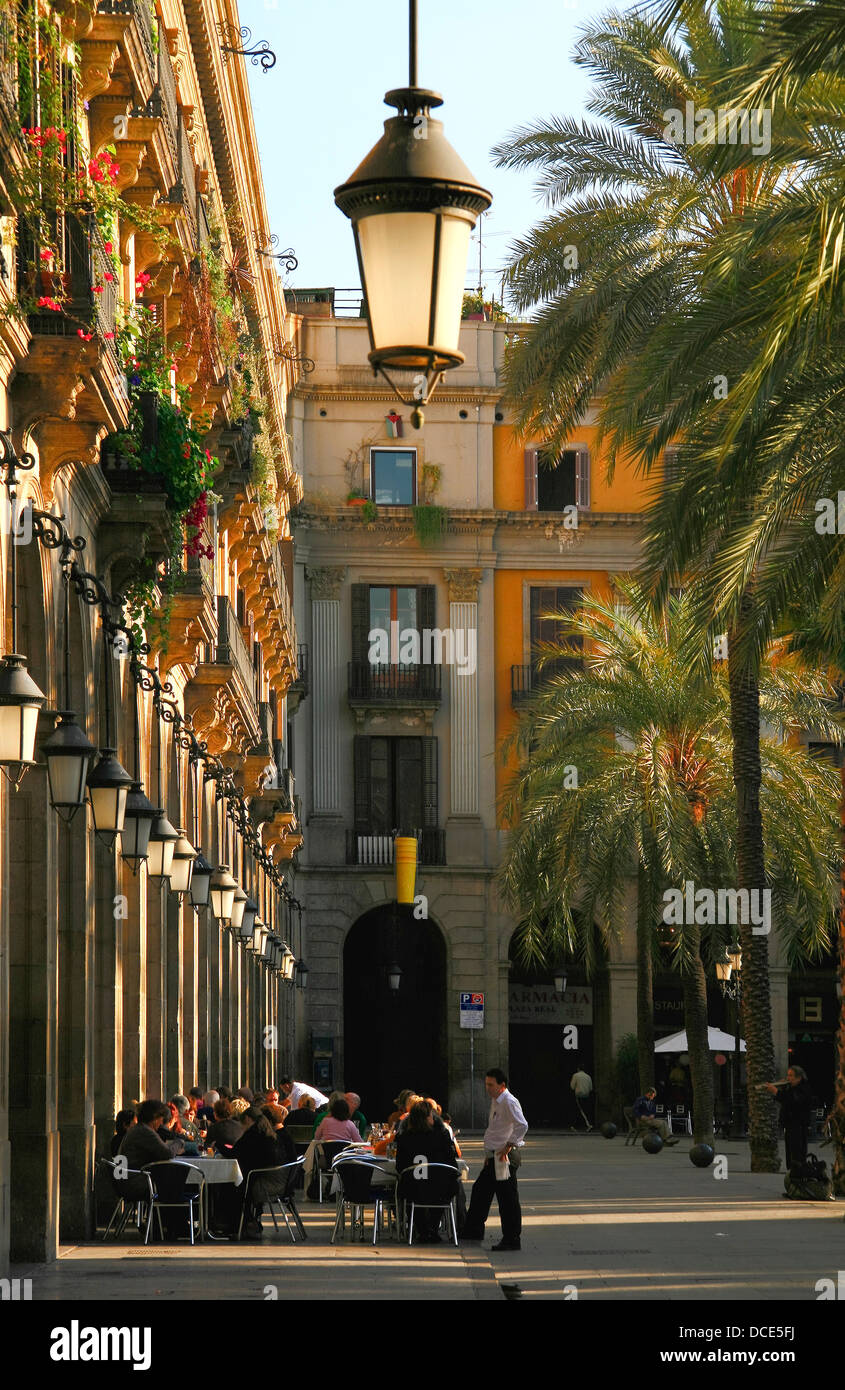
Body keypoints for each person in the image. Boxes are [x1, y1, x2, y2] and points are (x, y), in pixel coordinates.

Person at [462, 1068, 528, 1252]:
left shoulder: (508, 1101)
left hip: (502, 1157)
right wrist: (488, 1155)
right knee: (481, 1191)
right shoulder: (497, 1100)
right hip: (494, 1156)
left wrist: (509, 1146)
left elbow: (522, 1125)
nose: (488, 1088)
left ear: (502, 1085)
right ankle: (473, 1229)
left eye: (491, 1085)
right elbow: (495, 1129)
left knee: (507, 1199)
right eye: (486, 1084)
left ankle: (512, 1239)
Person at [396, 1100, 459, 1243]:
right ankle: (433, 1227)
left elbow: (400, 1166)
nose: (433, 1118)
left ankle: (422, 1229)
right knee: (448, 1189)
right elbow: (451, 1162)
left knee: (410, 1192)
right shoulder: (442, 1136)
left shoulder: (405, 1138)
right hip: (440, 1187)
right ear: (426, 1118)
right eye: (431, 1115)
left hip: (414, 1187)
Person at [766, 1065, 813, 1169]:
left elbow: (792, 1101)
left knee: (797, 1149)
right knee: (790, 1149)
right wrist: (782, 1087)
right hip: (790, 1123)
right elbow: (786, 1098)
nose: (788, 1078)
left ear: (799, 1077)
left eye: (791, 1075)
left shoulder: (803, 1089)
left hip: (798, 1124)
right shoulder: (792, 1088)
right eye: (788, 1075)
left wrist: (776, 1091)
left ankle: (797, 1170)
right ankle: (792, 1169)